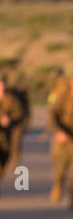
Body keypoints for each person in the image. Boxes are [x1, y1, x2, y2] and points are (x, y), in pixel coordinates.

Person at [0, 72, 30, 199]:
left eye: (2, 85)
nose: (0, 88)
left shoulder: (12, 100)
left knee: (4, 163)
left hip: (7, 137)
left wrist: (10, 121)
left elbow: (20, 116)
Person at [50, 74, 73, 207]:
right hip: (62, 140)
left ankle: (71, 199)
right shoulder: (62, 98)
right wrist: (58, 130)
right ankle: (58, 186)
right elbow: (52, 114)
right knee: (59, 169)